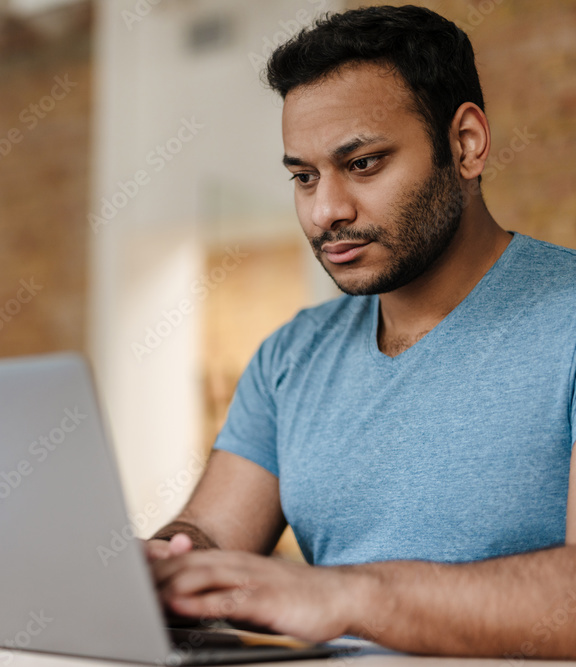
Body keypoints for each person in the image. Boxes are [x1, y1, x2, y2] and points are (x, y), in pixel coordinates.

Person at [146, 4, 576, 658]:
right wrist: (159, 566)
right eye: (303, 176)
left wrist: (343, 595)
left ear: (465, 143)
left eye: (365, 164)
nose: (326, 211)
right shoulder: (292, 355)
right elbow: (207, 533)